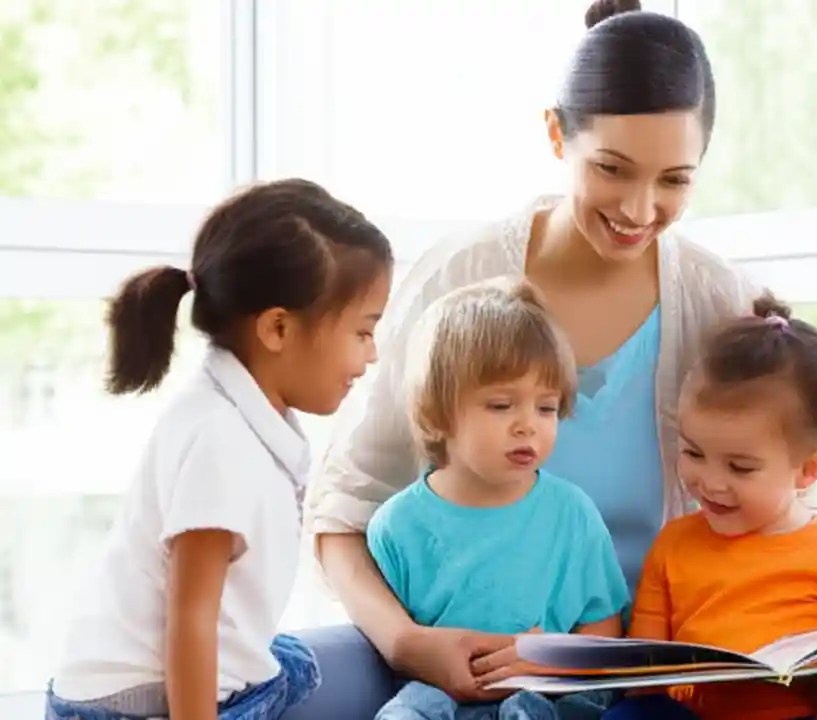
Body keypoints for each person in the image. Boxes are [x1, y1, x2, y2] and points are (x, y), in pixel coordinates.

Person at [297, 0, 762, 714]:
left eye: (674, 180)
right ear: (556, 135)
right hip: (457, 674)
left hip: (646, 676)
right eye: (612, 169)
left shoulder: (714, 300)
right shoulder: (461, 278)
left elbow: (786, 492)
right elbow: (345, 509)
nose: (640, 210)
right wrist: (410, 644)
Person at [45, 179, 394, 719]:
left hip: (168, 676)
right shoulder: (221, 444)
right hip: (134, 706)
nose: (370, 356)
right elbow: (191, 619)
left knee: (297, 662)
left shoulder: (245, 413)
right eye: (362, 333)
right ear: (278, 328)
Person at [593, 296, 817, 720]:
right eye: (693, 452)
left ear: (808, 469)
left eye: (740, 467)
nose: (709, 482)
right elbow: (646, 669)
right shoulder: (674, 543)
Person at [368, 278, 629, 720]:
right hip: (438, 697)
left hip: (547, 692)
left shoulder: (572, 514)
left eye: (545, 408)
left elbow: (603, 630)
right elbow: (384, 645)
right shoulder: (397, 525)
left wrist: (554, 661)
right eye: (501, 405)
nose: (528, 425)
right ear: (437, 414)